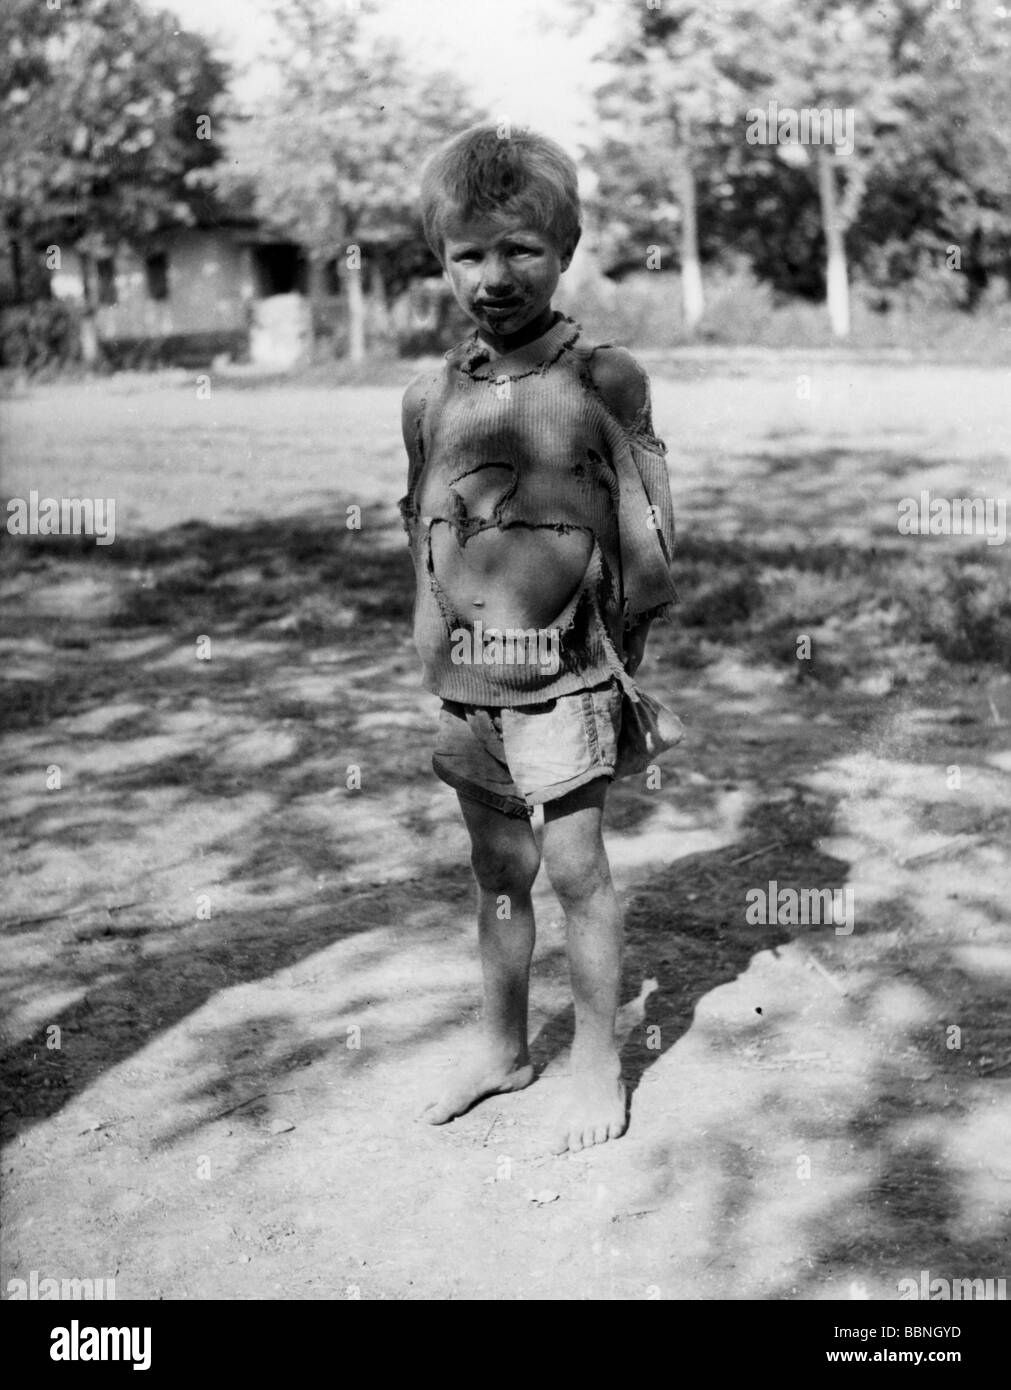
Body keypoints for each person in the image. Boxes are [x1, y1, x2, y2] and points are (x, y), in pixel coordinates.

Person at [399, 124, 678, 1153]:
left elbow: (650, 535)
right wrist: (435, 647)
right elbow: (421, 528)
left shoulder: (605, 378)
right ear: (441, 262)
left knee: (575, 871)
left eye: (519, 248)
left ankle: (599, 1058)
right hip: (469, 684)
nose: (493, 274)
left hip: (567, 679)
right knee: (498, 872)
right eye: (468, 253)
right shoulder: (430, 396)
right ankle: (503, 1046)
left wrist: (618, 669)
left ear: (564, 249)